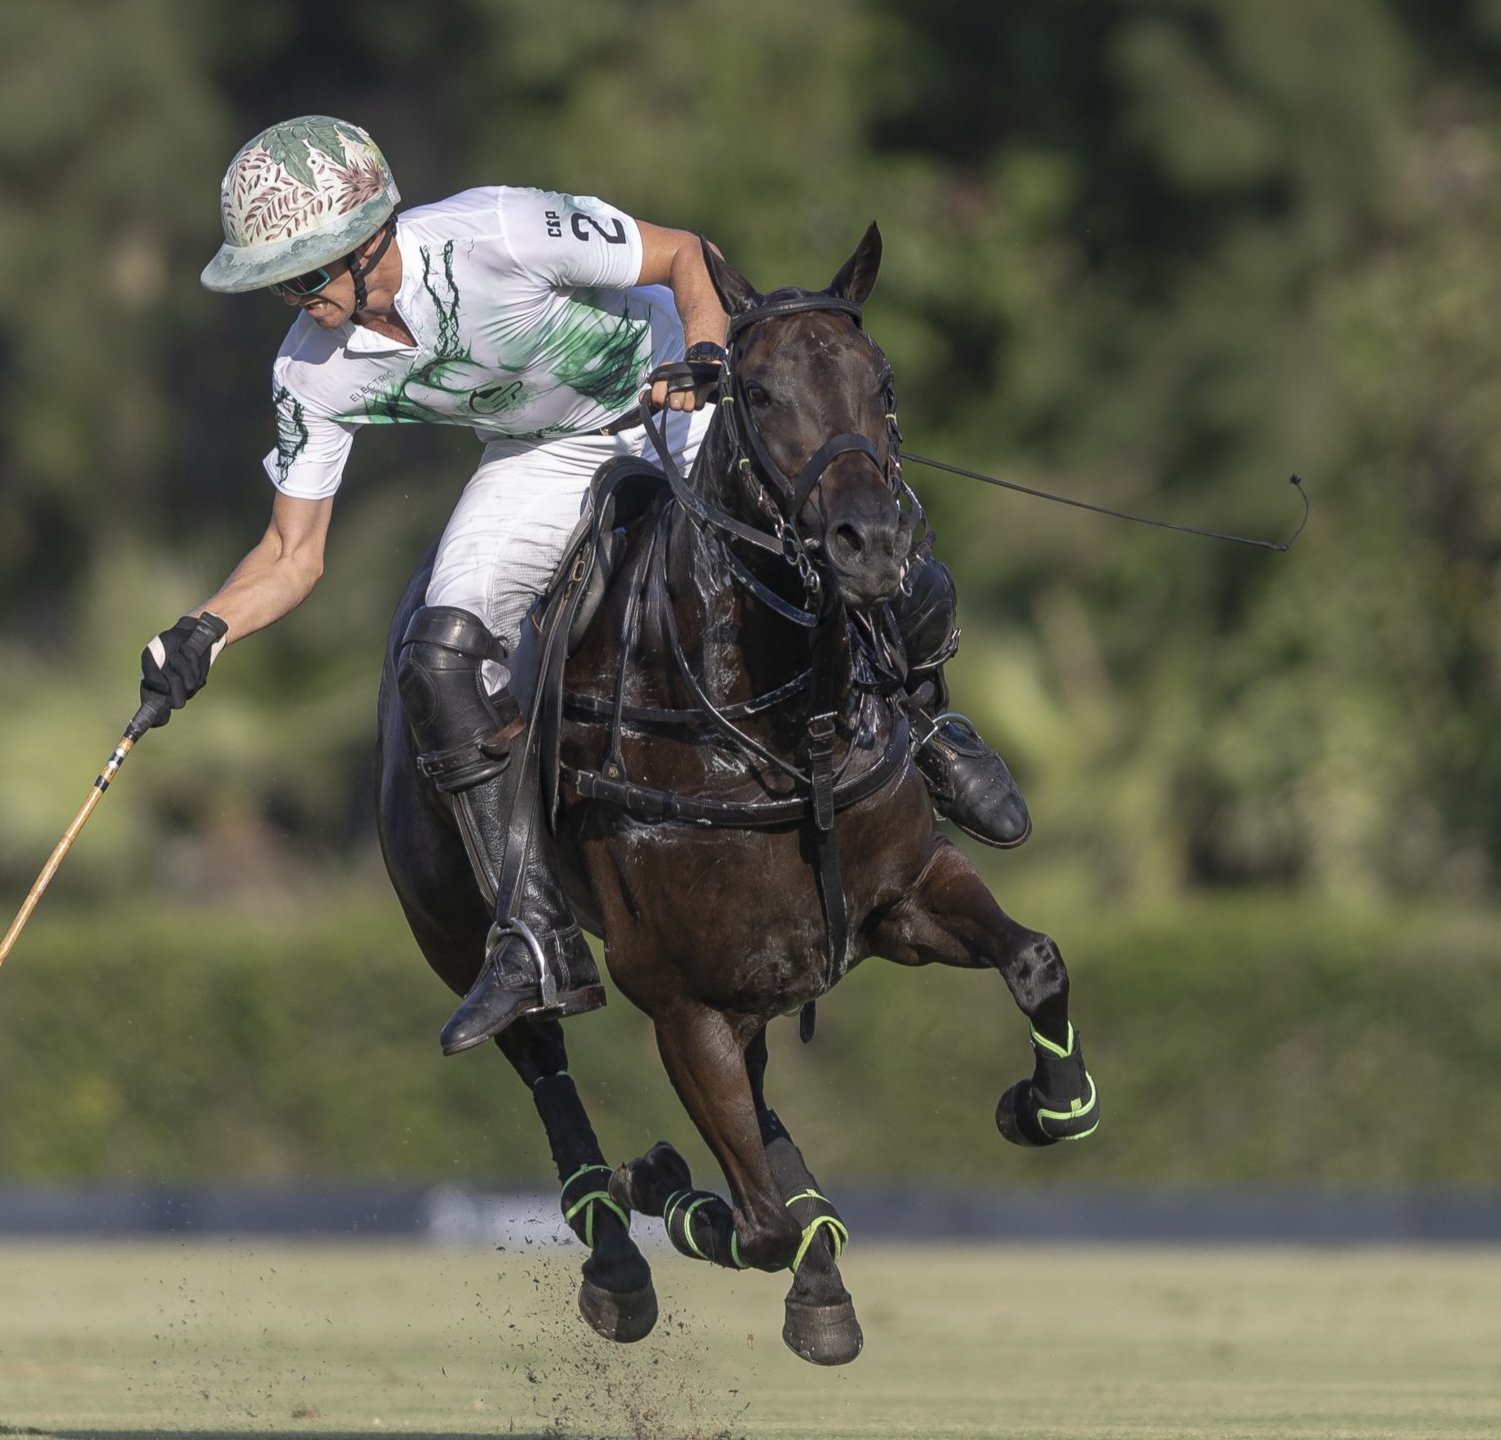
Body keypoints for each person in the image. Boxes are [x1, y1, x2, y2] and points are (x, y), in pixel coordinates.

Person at [138, 116, 1026, 1055]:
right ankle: (532, 937)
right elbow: (290, 554)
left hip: (675, 395)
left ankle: (926, 722)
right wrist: (203, 631)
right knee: (434, 658)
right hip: (539, 457)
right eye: (279, 283)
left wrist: (706, 356)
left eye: (306, 276)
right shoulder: (307, 372)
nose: (294, 299)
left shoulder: (502, 232)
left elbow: (687, 255)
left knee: (838, 536)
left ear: (367, 240)